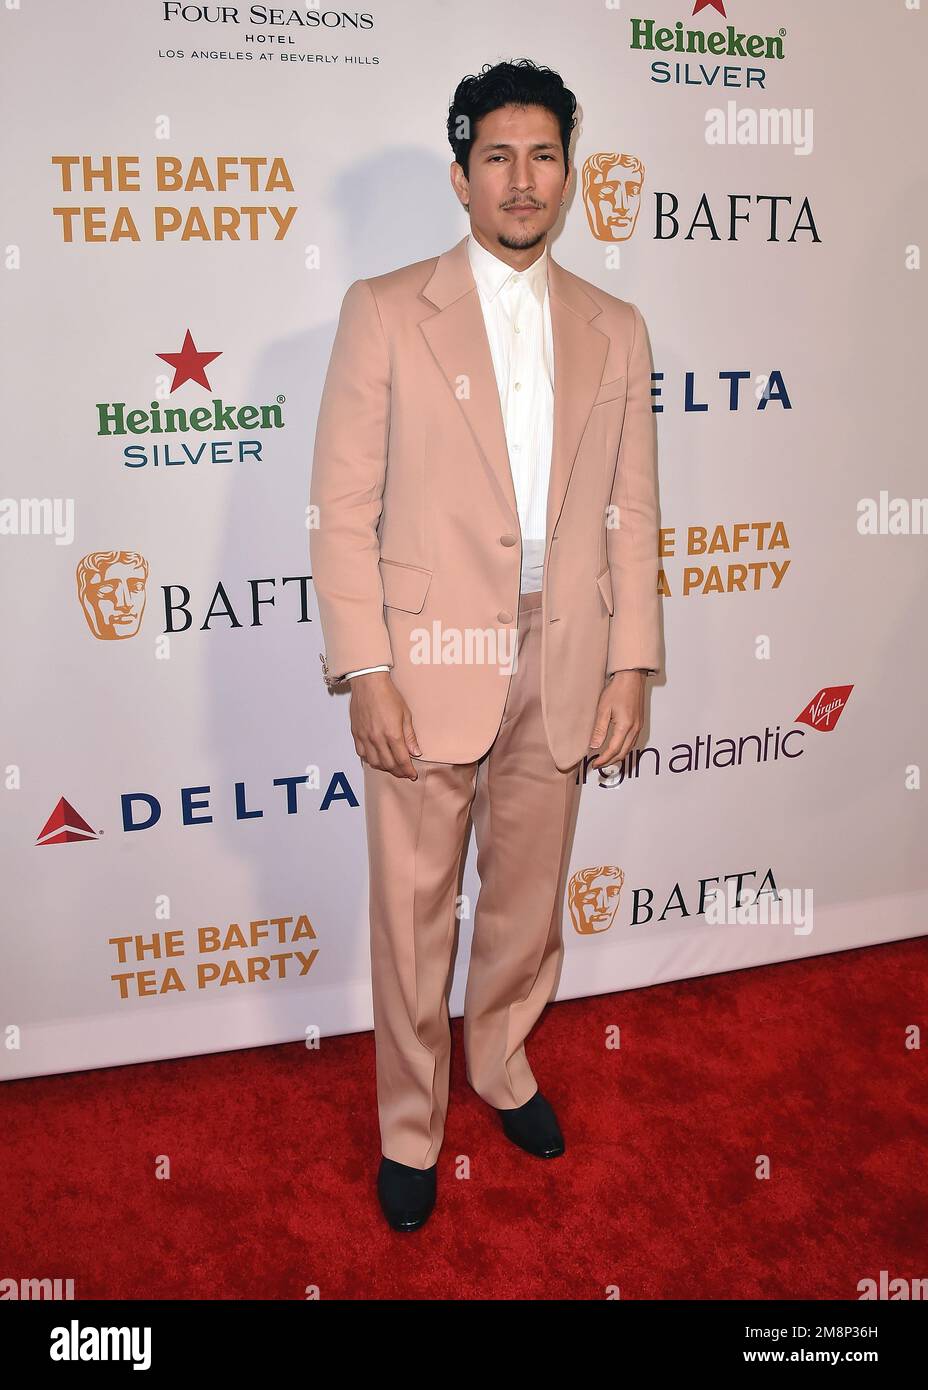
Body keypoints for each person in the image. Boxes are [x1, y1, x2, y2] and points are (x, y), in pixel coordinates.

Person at [309, 59, 662, 1231]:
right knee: (414, 917)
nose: (523, 180)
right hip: (422, 663)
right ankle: (409, 1125)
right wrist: (364, 668)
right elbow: (342, 507)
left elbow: (635, 511)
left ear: (571, 172)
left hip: (560, 657)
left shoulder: (616, 327)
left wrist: (628, 661)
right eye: (498, 157)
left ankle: (501, 1060)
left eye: (544, 155)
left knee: (524, 899)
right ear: (460, 176)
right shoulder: (382, 307)